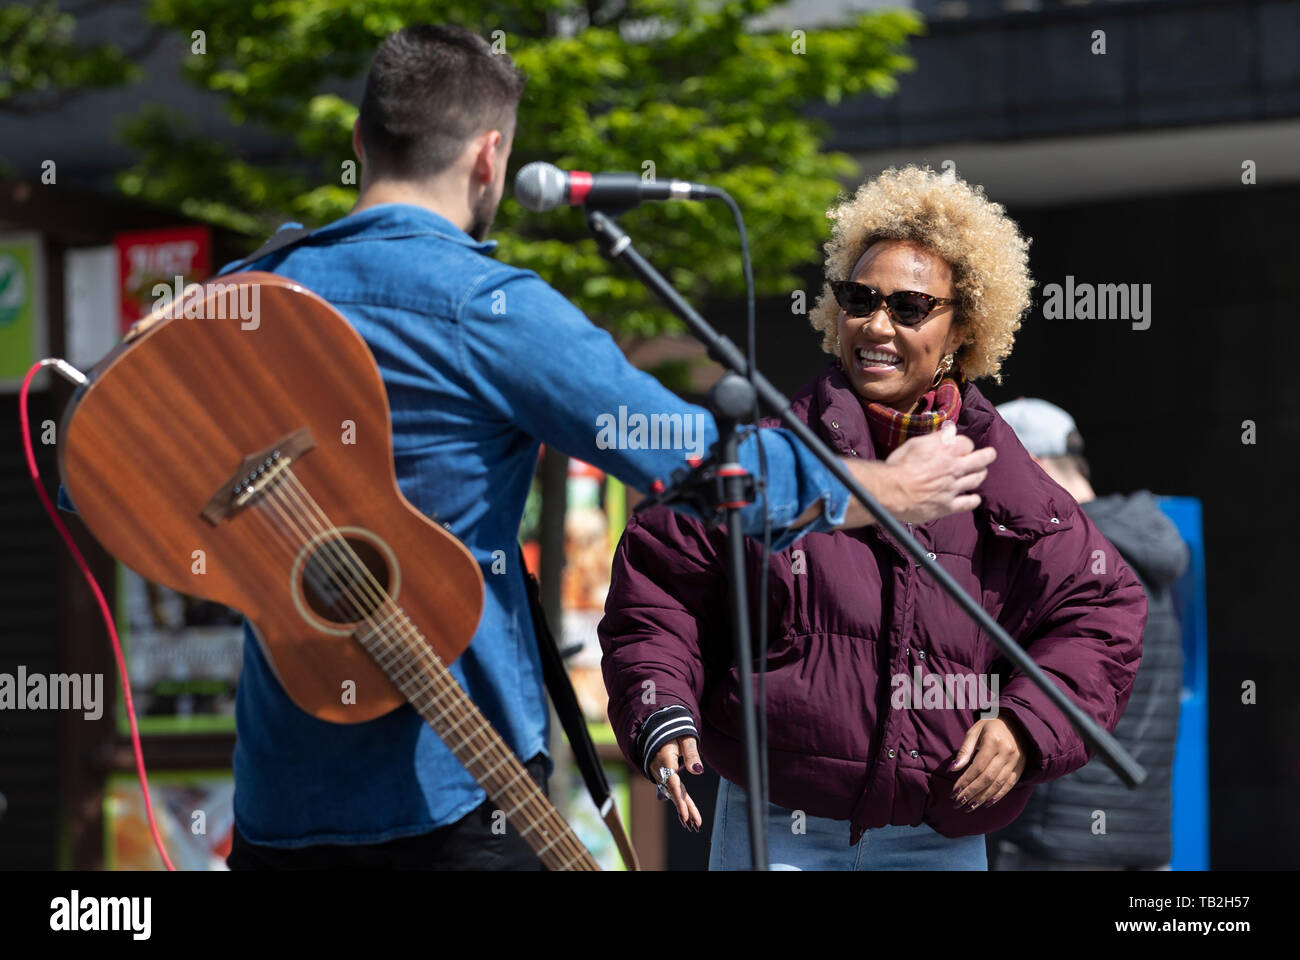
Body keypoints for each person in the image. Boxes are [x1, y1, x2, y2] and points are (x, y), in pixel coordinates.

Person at [210, 26, 993, 870]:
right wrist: (876, 489)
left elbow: (89, 466)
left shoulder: (248, 296)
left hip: (279, 794)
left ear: (360, 141)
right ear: (489, 157)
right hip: (454, 790)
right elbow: (691, 460)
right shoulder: (489, 308)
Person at [599, 165, 1149, 870]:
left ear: (963, 327)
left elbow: (1102, 612)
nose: (877, 324)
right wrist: (660, 706)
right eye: (859, 299)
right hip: (776, 827)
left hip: (937, 841)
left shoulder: (1003, 476)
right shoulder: (774, 454)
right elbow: (660, 580)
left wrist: (1026, 725)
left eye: (910, 306)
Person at [989, 398, 1189, 870]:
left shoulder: (1060, 553)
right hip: (1143, 834)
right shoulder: (1144, 540)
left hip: (1058, 836)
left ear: (1030, 465)